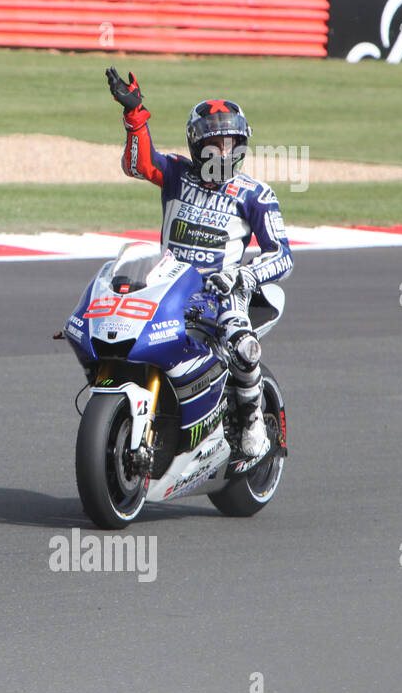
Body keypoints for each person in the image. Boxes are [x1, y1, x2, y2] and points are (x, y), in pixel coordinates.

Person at [105, 67, 293, 459]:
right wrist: (135, 114)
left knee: (243, 346)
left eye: (229, 144)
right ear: (197, 147)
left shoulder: (255, 194)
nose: (221, 153)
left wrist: (242, 275)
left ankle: (254, 420)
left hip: (224, 293)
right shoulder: (177, 174)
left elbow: (282, 256)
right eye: (213, 145)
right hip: (169, 286)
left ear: (241, 146)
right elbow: (138, 164)